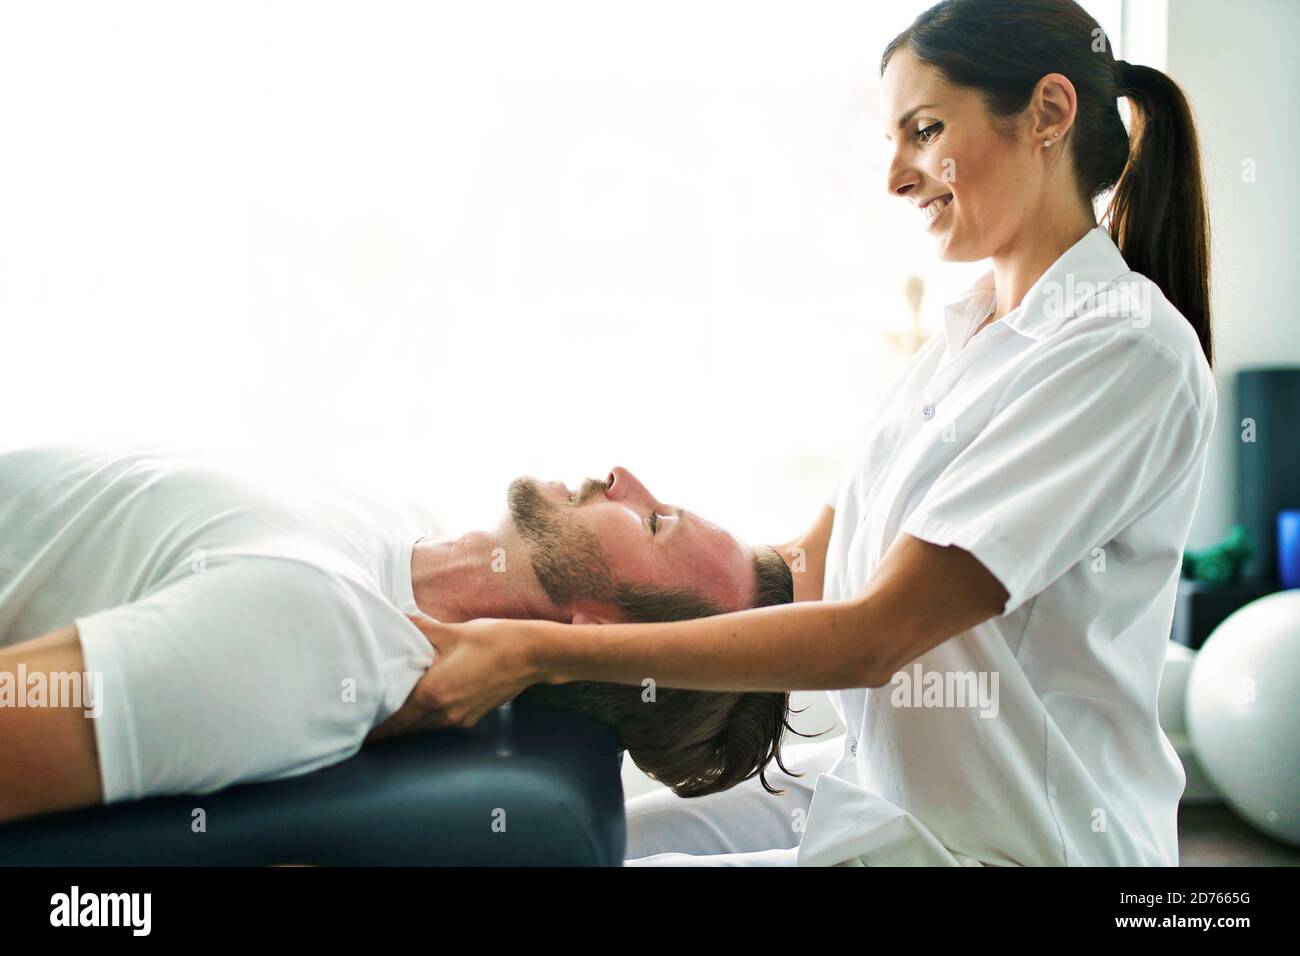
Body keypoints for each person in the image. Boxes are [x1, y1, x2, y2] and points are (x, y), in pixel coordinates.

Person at [391, 0, 1219, 866]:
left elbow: (875, 635)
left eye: (925, 130)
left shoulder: (1122, 351)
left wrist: (532, 651)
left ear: (1049, 114)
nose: (897, 176)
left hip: (1016, 847)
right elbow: (812, 567)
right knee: (592, 844)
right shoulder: (962, 341)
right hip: (896, 801)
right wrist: (609, 569)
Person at [0, 445, 793, 825]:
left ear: (600, 633)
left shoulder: (313, 637)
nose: (624, 476)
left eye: (654, 522)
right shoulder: (400, 531)